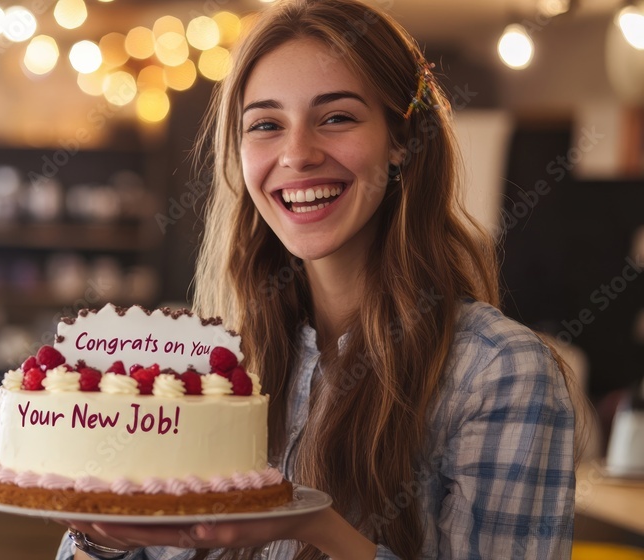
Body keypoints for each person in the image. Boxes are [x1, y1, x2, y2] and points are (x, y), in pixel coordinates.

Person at [59, 0, 587, 558]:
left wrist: (314, 527)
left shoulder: (498, 374)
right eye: (266, 125)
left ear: (402, 139)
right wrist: (100, 539)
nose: (297, 154)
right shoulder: (210, 366)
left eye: (336, 117)